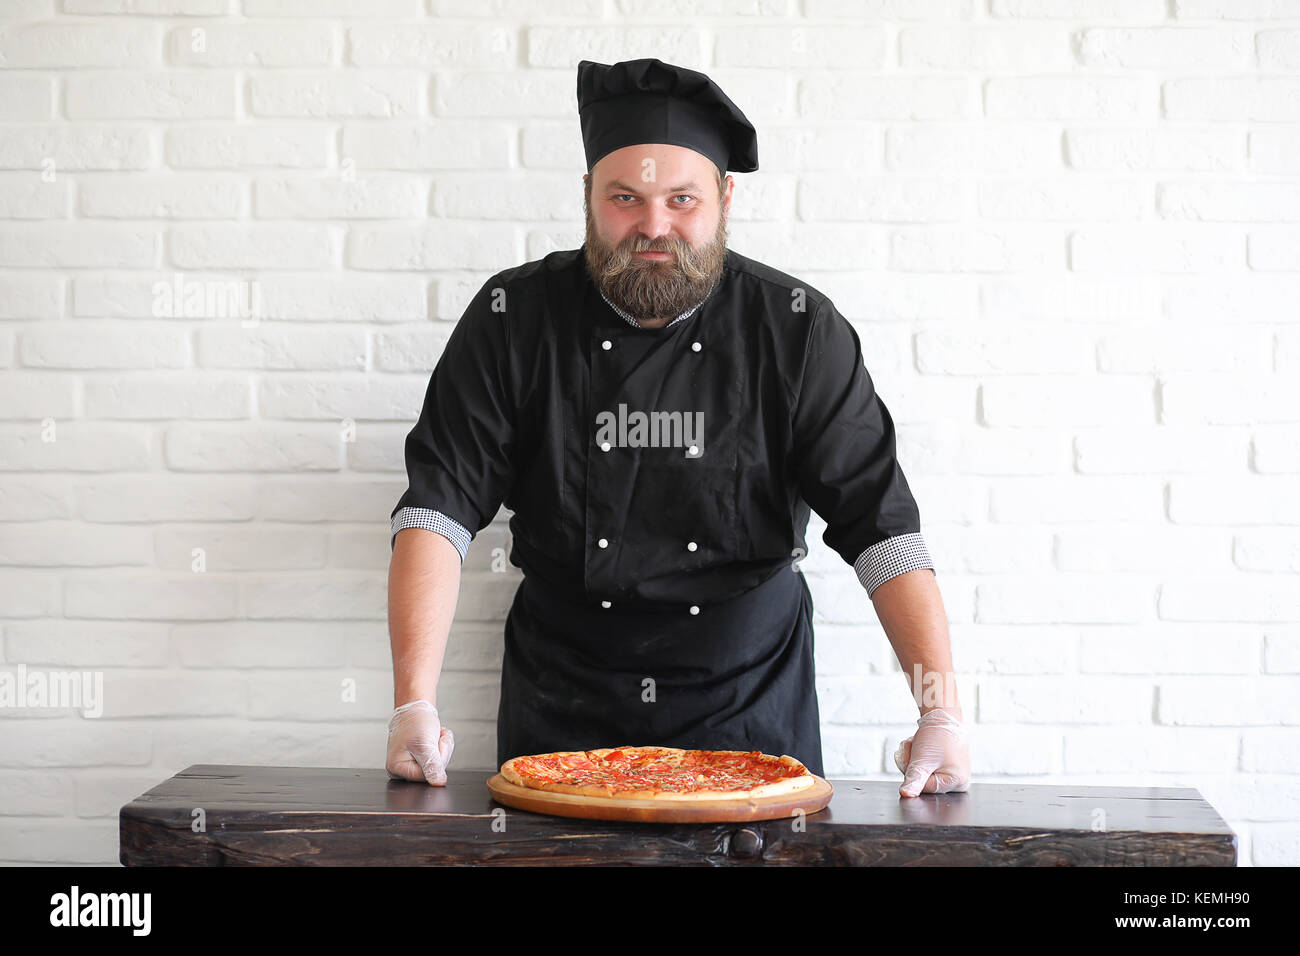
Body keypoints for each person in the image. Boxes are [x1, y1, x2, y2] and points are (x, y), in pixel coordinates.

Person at [385, 57, 970, 798]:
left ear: (726, 198)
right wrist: (413, 702)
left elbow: (882, 529)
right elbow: (437, 511)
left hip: (749, 693)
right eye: (625, 197)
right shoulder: (514, 318)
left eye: (682, 199)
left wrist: (941, 713)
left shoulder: (796, 330)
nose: (653, 227)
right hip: (566, 695)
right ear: (589, 197)